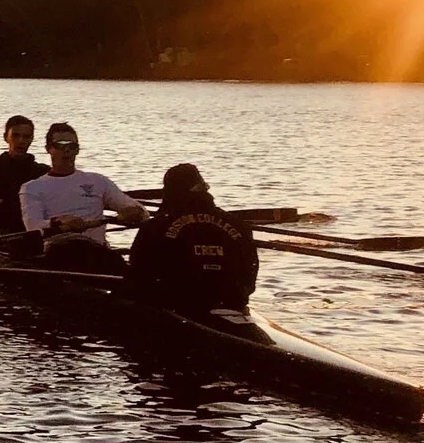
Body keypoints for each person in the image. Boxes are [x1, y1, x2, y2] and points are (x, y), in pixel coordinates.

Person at [127, 164, 260, 312]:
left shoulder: (155, 226)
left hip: (174, 303)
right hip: (230, 301)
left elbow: (138, 271)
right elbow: (250, 271)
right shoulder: (239, 225)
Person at [18, 121, 145, 274]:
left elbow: (141, 211)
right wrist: (59, 222)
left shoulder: (98, 181)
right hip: (58, 251)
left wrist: (135, 212)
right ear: (48, 149)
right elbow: (33, 227)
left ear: (77, 150)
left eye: (72, 146)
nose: (66, 150)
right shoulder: (31, 188)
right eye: (60, 145)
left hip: (97, 251)